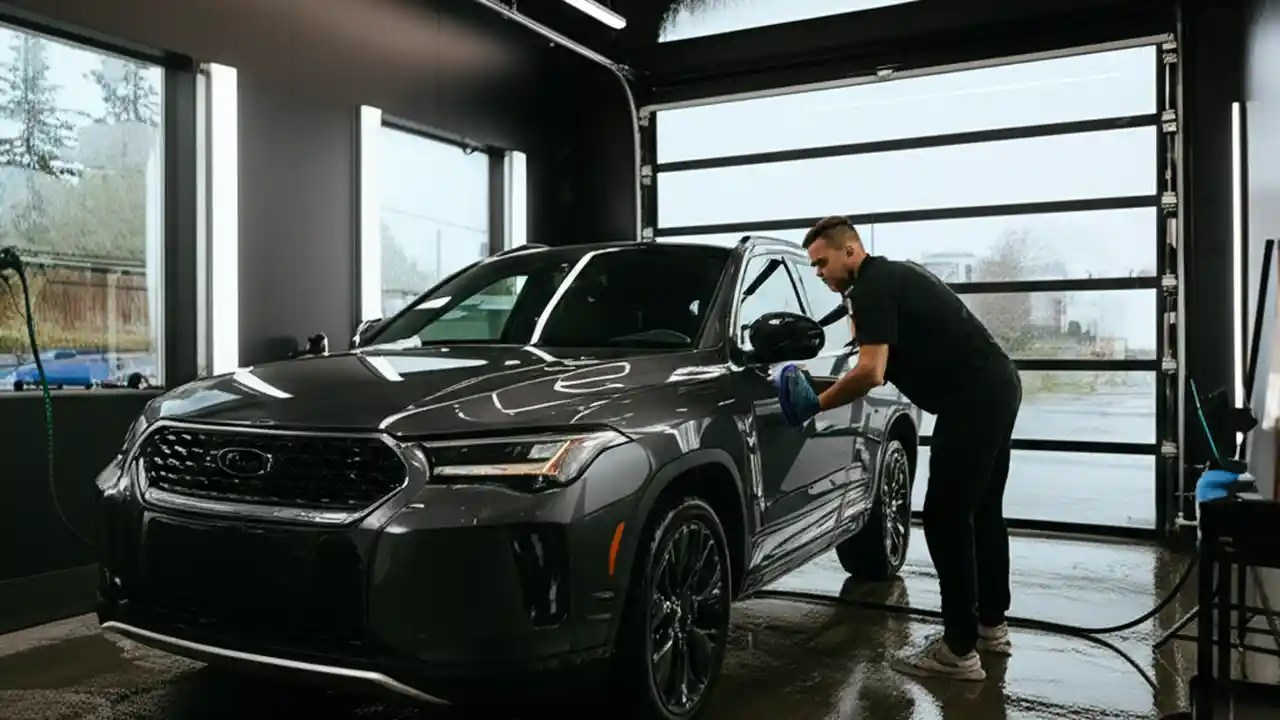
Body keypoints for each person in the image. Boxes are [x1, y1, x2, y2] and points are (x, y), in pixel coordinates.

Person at [777, 216, 1023, 682]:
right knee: (983, 510)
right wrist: (820, 384)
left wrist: (815, 406)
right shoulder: (891, 278)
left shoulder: (872, 287)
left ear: (850, 251)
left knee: (945, 518)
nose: (819, 273)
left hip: (970, 399)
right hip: (998, 385)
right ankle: (991, 627)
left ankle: (957, 651)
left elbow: (870, 372)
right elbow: (875, 366)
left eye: (821, 262)